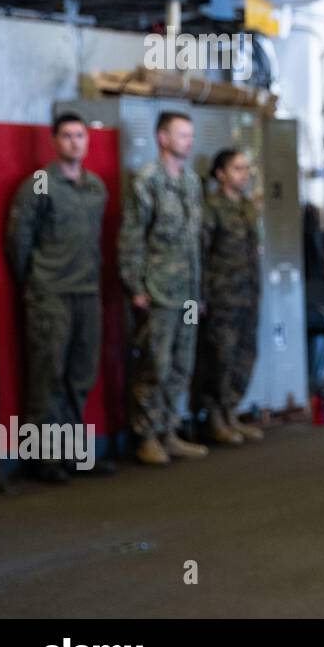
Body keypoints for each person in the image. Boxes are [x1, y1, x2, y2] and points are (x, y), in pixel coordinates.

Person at [5, 113, 110, 482]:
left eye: (80, 135)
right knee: (48, 375)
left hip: (87, 293)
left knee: (81, 376)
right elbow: (18, 239)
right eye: (66, 135)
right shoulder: (39, 183)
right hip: (51, 294)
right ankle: (45, 457)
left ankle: (74, 453)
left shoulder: (95, 187)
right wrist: (36, 282)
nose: (74, 142)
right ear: (54, 141)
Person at [118, 111, 208, 466]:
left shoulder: (191, 182)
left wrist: (199, 292)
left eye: (191, 135)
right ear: (162, 138)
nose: (189, 141)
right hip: (158, 290)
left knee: (182, 365)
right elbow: (132, 237)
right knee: (155, 364)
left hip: (188, 292)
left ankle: (169, 431)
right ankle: (146, 436)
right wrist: (135, 286)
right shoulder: (147, 181)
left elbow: (195, 242)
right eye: (182, 134)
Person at [198, 148, 264, 446]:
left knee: (245, 356)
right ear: (220, 174)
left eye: (246, 168)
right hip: (221, 297)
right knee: (219, 359)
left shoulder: (248, 207)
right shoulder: (211, 208)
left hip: (249, 295)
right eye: (238, 168)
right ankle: (215, 419)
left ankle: (231, 412)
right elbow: (201, 254)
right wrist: (201, 297)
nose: (245, 174)